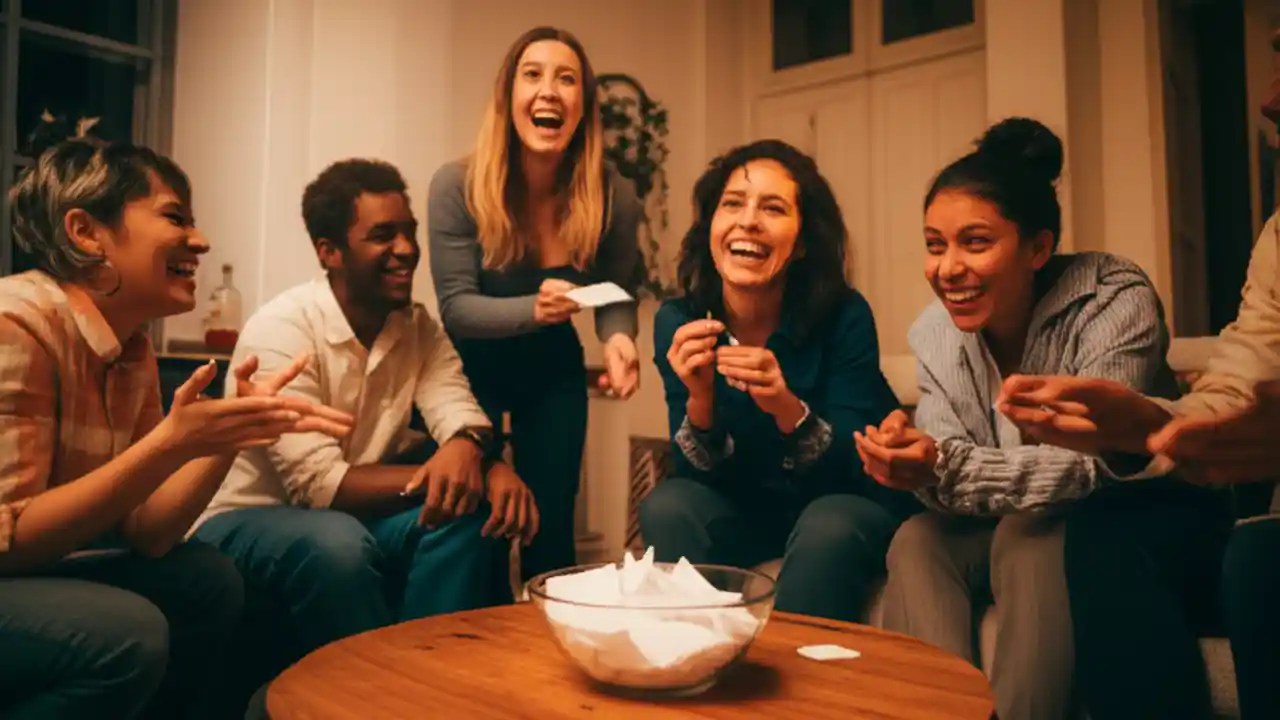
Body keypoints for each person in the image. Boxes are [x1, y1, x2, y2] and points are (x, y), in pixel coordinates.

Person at [0, 139, 352, 719]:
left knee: (207, 580)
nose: (201, 241)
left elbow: (151, 535)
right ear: (87, 232)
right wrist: (170, 441)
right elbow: (9, 542)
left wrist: (225, 436)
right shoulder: (20, 324)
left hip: (42, 568)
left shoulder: (131, 344)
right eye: (175, 218)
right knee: (124, 631)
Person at [853, 118, 1179, 720]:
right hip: (1006, 525)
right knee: (917, 539)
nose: (947, 268)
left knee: (1029, 535)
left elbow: (1092, 464)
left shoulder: (1109, 296)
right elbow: (948, 484)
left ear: (1038, 247)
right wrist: (918, 465)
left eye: (974, 243)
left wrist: (943, 462)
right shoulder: (934, 334)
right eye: (934, 244)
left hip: (1117, 524)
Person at [192, 159, 536, 668]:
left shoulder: (417, 327)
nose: (407, 250)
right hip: (245, 518)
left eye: (409, 232)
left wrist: (474, 456)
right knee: (338, 542)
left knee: (468, 519)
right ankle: (366, 694)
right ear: (328, 252)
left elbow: (458, 411)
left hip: (348, 516)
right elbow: (322, 487)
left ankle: (425, 683)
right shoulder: (282, 329)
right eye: (383, 235)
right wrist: (465, 473)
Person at [999, 214, 1280, 719]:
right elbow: (1240, 383)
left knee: (1261, 557)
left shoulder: (1113, 298)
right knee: (1109, 527)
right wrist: (1141, 424)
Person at [637, 139, 915, 623]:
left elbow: (854, 466)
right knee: (668, 505)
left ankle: (791, 686)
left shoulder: (845, 315)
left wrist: (788, 408)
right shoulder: (677, 321)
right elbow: (691, 472)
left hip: (841, 501)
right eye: (732, 205)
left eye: (773, 208)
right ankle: (690, 658)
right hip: (744, 510)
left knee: (829, 524)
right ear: (711, 229)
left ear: (802, 241)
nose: (748, 221)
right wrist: (701, 399)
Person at [428, 26, 643, 580]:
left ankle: (550, 652)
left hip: (552, 370)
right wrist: (533, 309)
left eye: (566, 78)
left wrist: (619, 338)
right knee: (481, 527)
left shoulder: (612, 192)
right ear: (508, 97)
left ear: (582, 106)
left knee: (550, 531)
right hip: (465, 370)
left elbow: (617, 291)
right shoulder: (456, 185)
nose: (549, 90)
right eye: (533, 74)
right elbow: (456, 308)